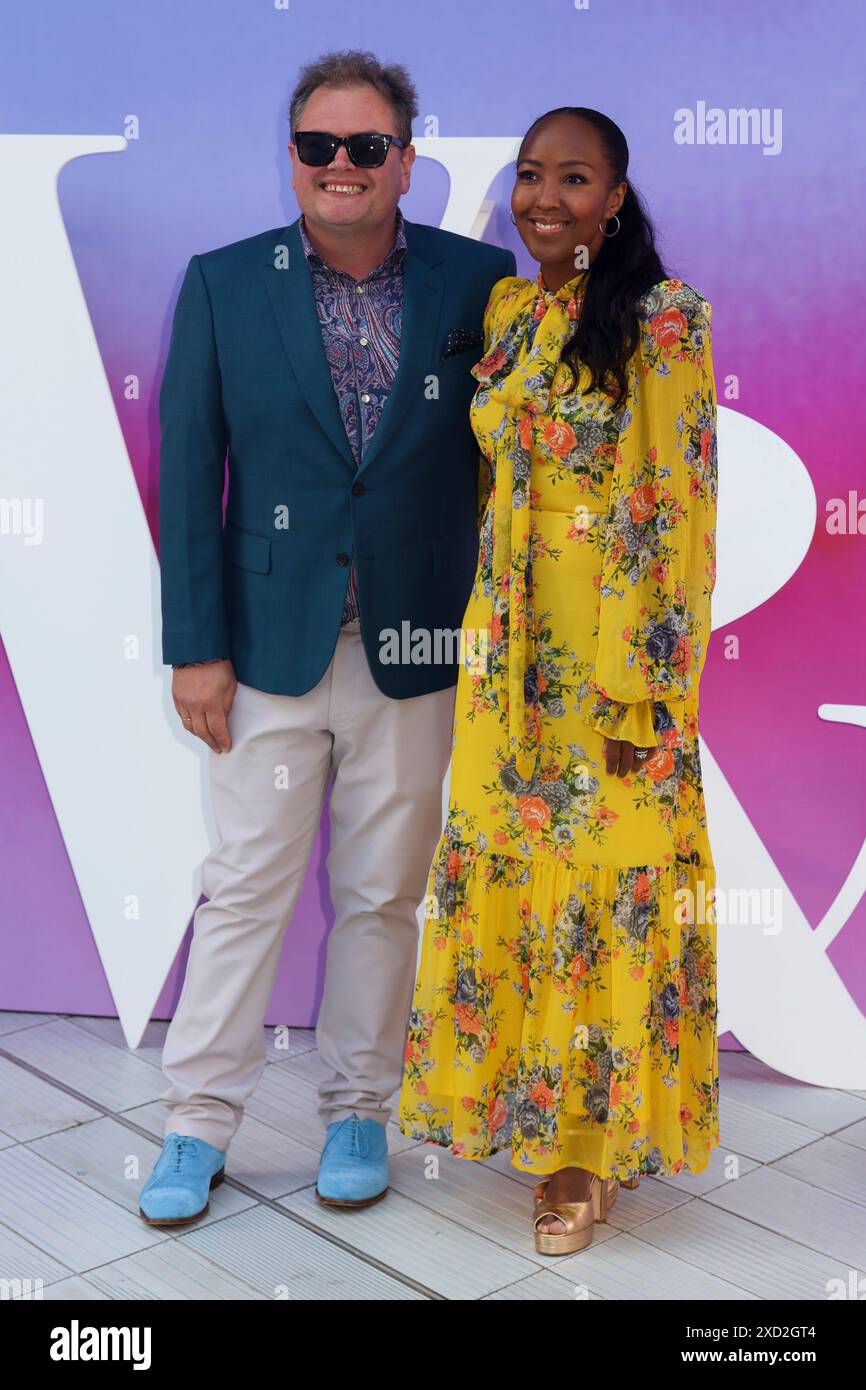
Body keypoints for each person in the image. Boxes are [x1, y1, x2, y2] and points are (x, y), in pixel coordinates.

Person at [139, 49, 515, 1225]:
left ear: (406, 157)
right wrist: (194, 646)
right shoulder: (221, 282)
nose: (340, 167)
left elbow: (502, 463)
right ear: (292, 156)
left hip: (413, 644)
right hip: (262, 648)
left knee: (381, 893)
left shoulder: (478, 282)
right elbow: (191, 463)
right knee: (244, 886)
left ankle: (359, 1107)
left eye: (365, 147)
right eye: (318, 146)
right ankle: (197, 1123)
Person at [397, 105, 719, 1256]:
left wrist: (649, 694)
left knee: (607, 892)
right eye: (529, 175)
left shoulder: (666, 321)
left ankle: (589, 1150)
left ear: (614, 196)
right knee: (513, 872)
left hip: (609, 662)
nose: (543, 197)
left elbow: (675, 515)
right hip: (503, 656)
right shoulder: (508, 311)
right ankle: (524, 1114)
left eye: (571, 178)